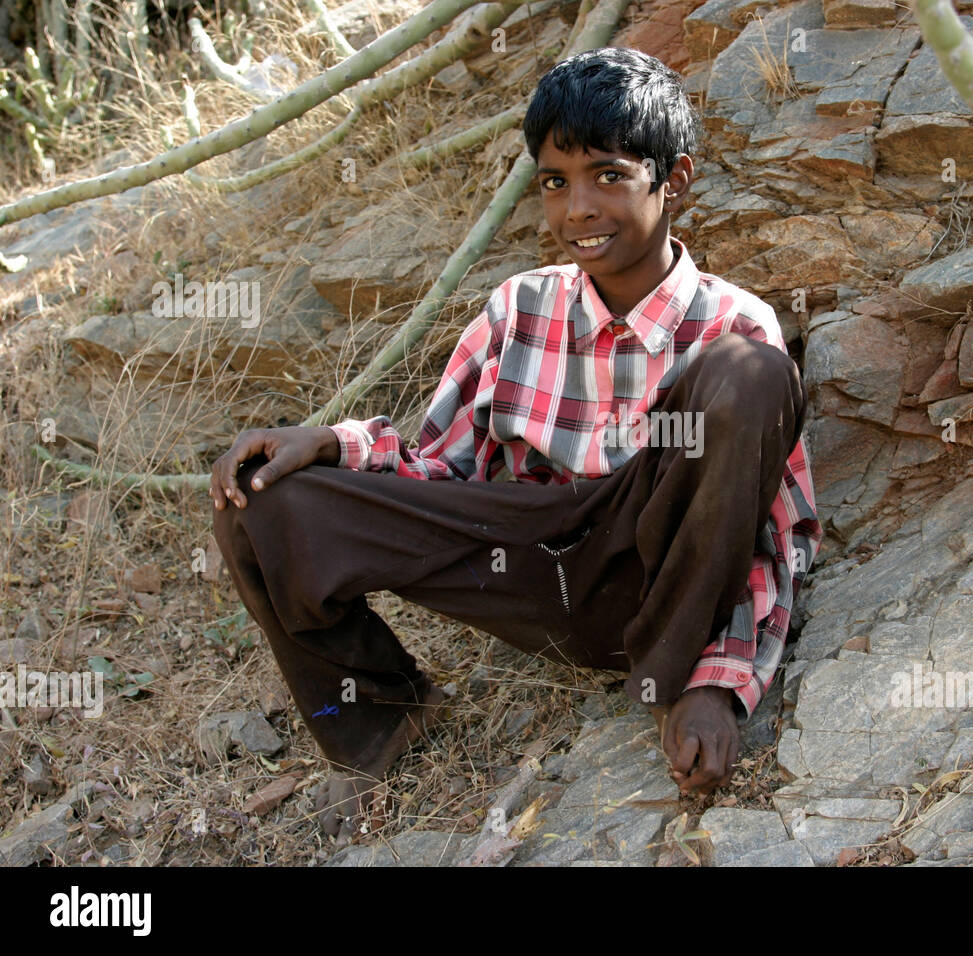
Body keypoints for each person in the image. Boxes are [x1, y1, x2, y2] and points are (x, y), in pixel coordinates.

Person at [210, 47, 821, 845]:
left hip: (659, 575)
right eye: (555, 182)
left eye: (608, 176)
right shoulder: (519, 306)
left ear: (675, 182)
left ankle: (669, 676)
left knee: (751, 375)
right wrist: (330, 442)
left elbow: (776, 538)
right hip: (527, 565)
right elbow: (439, 466)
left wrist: (719, 686)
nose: (578, 210)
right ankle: (386, 716)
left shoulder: (731, 325)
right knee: (258, 495)